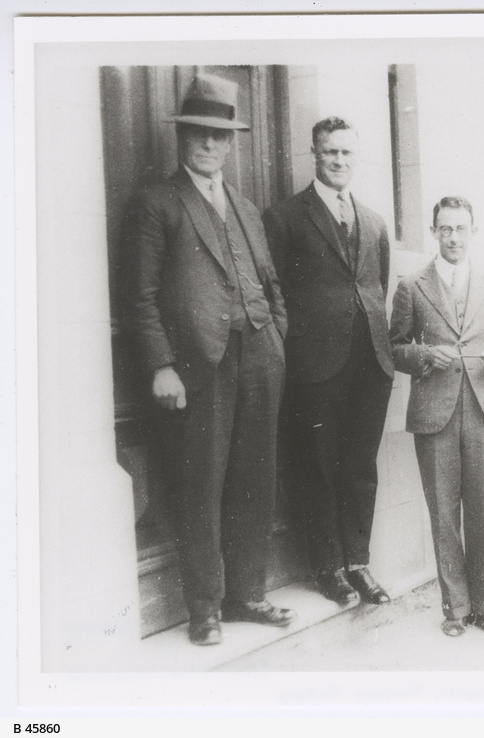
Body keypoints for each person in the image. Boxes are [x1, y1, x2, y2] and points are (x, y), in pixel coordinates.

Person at [126, 73, 294, 646]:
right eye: (199, 133)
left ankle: (248, 595)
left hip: (259, 358)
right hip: (200, 367)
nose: (208, 145)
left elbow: (270, 284)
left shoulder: (246, 208)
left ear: (230, 144)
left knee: (254, 479)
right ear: (182, 137)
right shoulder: (157, 203)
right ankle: (205, 609)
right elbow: (139, 297)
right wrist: (160, 365)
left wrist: (276, 338)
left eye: (219, 137)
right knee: (201, 485)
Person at [263, 117, 394, 608]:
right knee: (317, 466)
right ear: (314, 155)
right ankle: (328, 567)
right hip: (316, 367)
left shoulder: (375, 221)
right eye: (329, 153)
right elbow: (273, 291)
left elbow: (377, 283)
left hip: (370, 363)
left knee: (360, 465)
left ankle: (359, 563)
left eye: (346, 153)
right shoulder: (286, 217)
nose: (339, 161)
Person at [389, 196, 484, 638]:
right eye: (446, 229)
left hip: (482, 408)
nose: (454, 237)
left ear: (473, 232)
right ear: (435, 233)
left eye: (461, 229)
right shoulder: (412, 286)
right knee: (443, 513)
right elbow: (395, 348)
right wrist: (423, 355)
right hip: (435, 412)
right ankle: (455, 608)